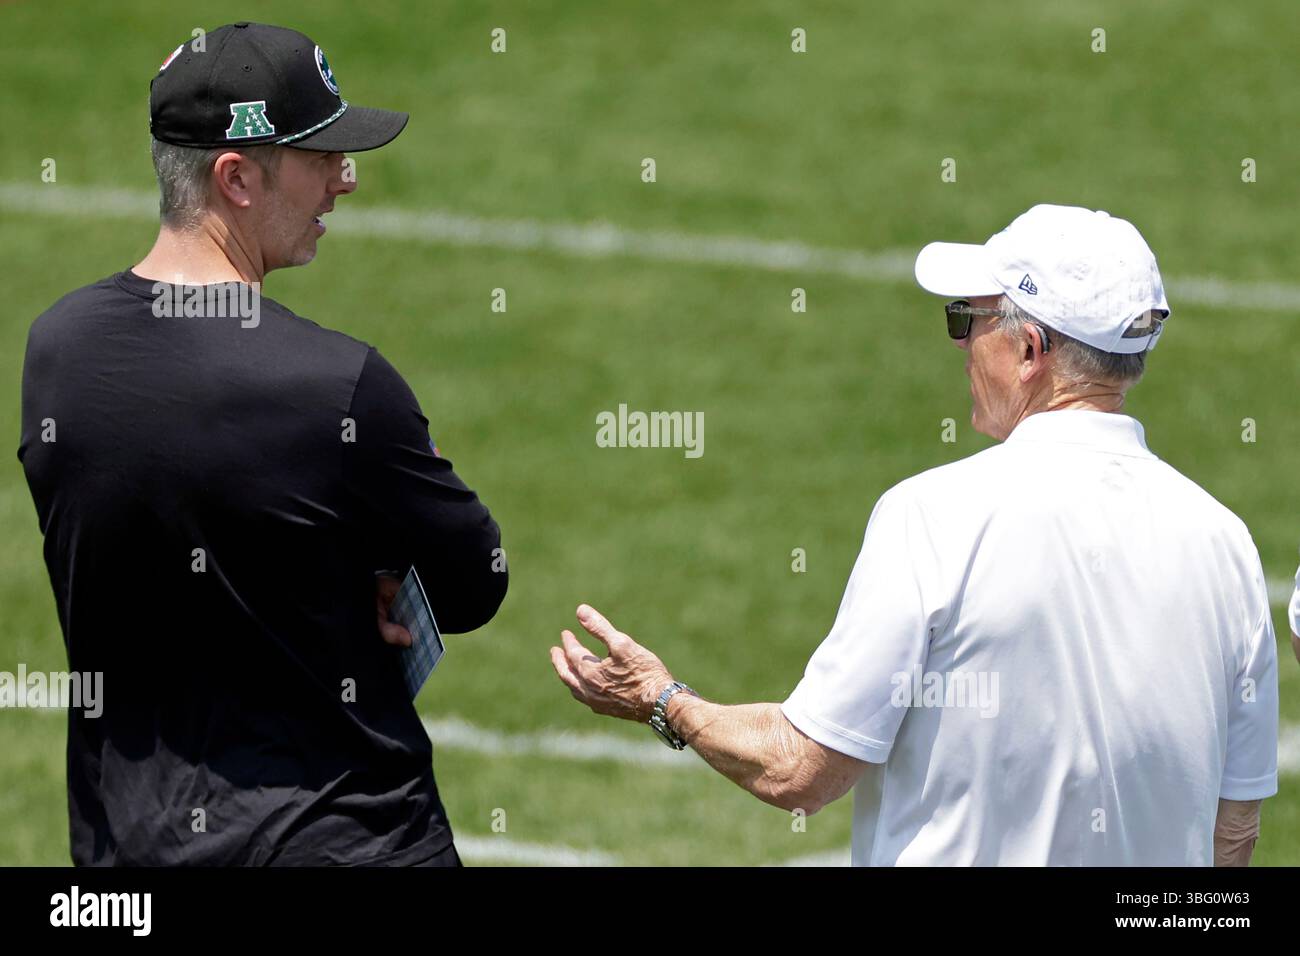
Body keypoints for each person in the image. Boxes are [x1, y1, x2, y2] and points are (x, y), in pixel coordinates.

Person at [551, 204, 1278, 866]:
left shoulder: (933, 516)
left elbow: (799, 769)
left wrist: (662, 700)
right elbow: (1232, 834)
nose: (961, 346)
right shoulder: (1227, 544)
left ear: (1030, 351)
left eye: (970, 320)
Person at [17, 22, 506, 866]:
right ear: (237, 178)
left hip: (127, 855)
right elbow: (474, 585)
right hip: (343, 840)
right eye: (321, 157)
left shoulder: (55, 351)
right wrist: (375, 573)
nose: (345, 181)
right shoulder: (338, 385)